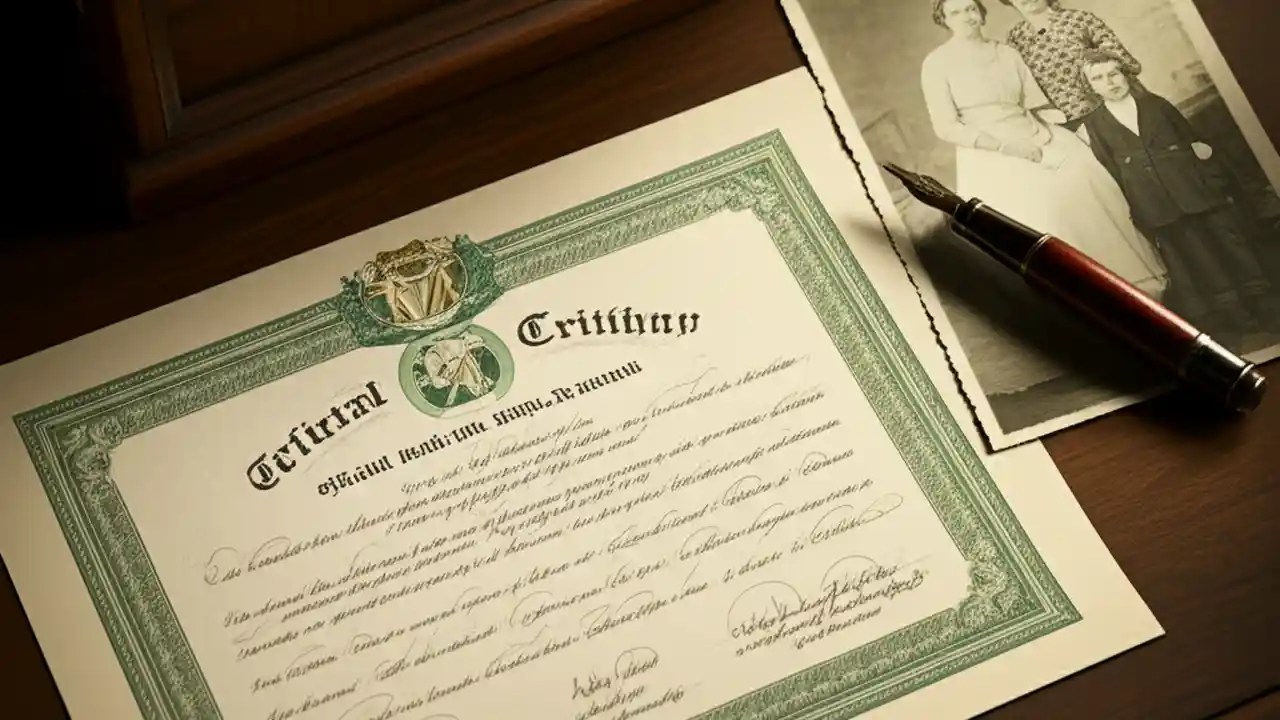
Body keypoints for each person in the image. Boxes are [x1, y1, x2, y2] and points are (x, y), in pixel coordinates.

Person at [919, 0, 1168, 397]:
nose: (966, 17)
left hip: (1033, 132)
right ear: (943, 20)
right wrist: (1009, 148)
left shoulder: (1008, 52)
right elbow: (946, 127)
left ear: (982, 13)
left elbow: (1034, 103)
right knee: (1039, 220)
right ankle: (1085, 331)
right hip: (989, 149)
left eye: (971, 9)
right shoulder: (937, 63)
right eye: (956, 12)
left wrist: (1047, 133)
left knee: (1086, 175)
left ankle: (1132, 302)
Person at [1078, 49, 1280, 341]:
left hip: (1195, 190)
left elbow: (1194, 142)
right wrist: (1137, 207)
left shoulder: (1156, 105)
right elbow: (1111, 170)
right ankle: (1236, 316)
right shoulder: (1096, 125)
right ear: (1090, 87)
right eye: (1098, 78)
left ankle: (1266, 305)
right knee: (1198, 257)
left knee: (1232, 245)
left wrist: (1210, 182)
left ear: (1125, 74)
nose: (1109, 82)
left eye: (1114, 73)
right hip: (1156, 204)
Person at [1001, 0, 1142, 129]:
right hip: (1066, 124)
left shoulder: (1079, 19)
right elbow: (1022, 88)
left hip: (1114, 107)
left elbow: (1125, 61)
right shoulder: (1016, 39)